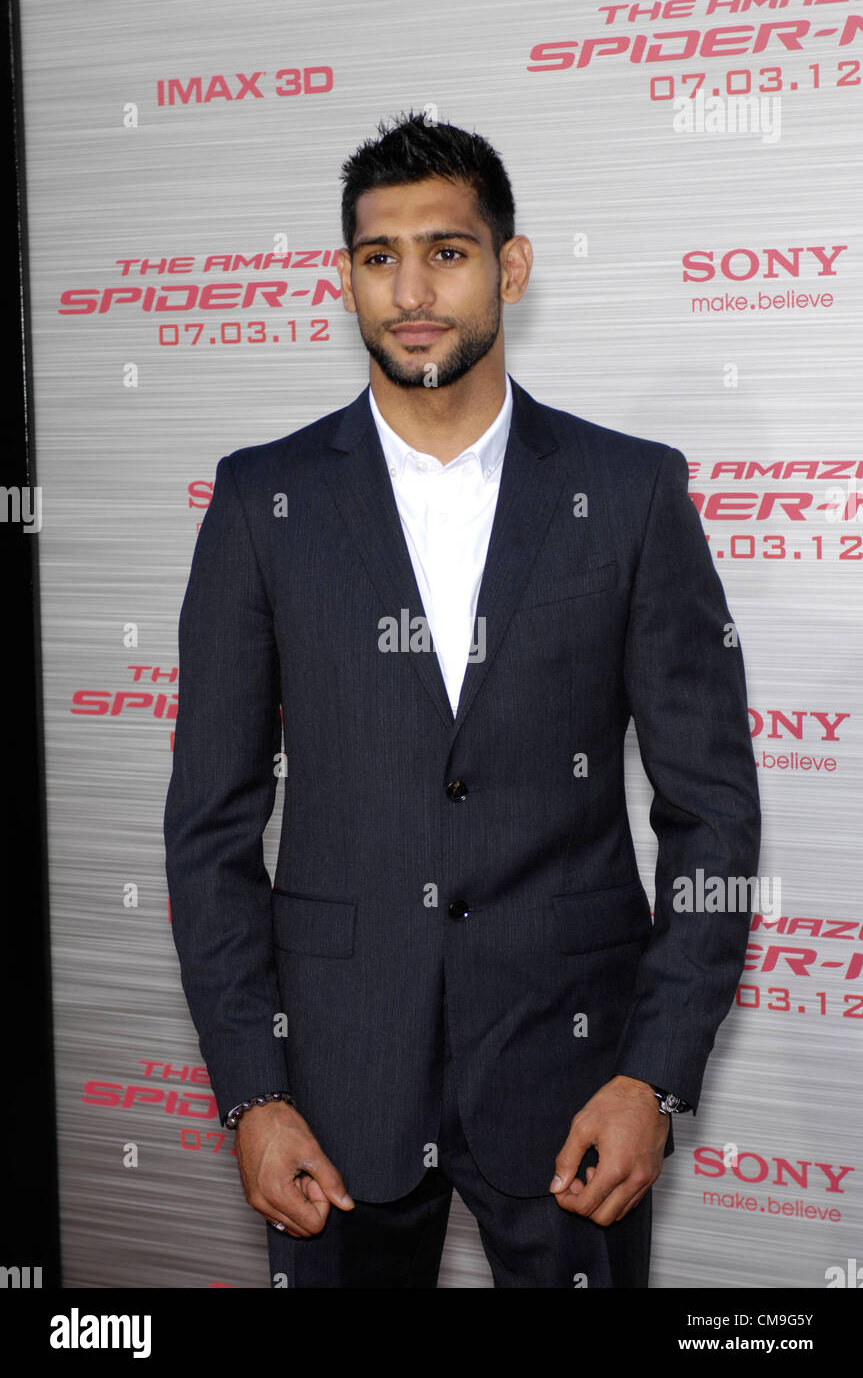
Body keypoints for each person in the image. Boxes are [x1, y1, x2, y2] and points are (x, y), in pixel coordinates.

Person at [164, 110, 761, 1288]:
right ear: (346, 279)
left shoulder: (628, 493)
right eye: (378, 257)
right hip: (333, 1086)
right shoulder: (260, 503)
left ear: (510, 266)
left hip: (573, 1081)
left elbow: (712, 815)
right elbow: (209, 829)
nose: (410, 289)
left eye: (445, 250)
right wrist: (252, 1092)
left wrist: (653, 1073)